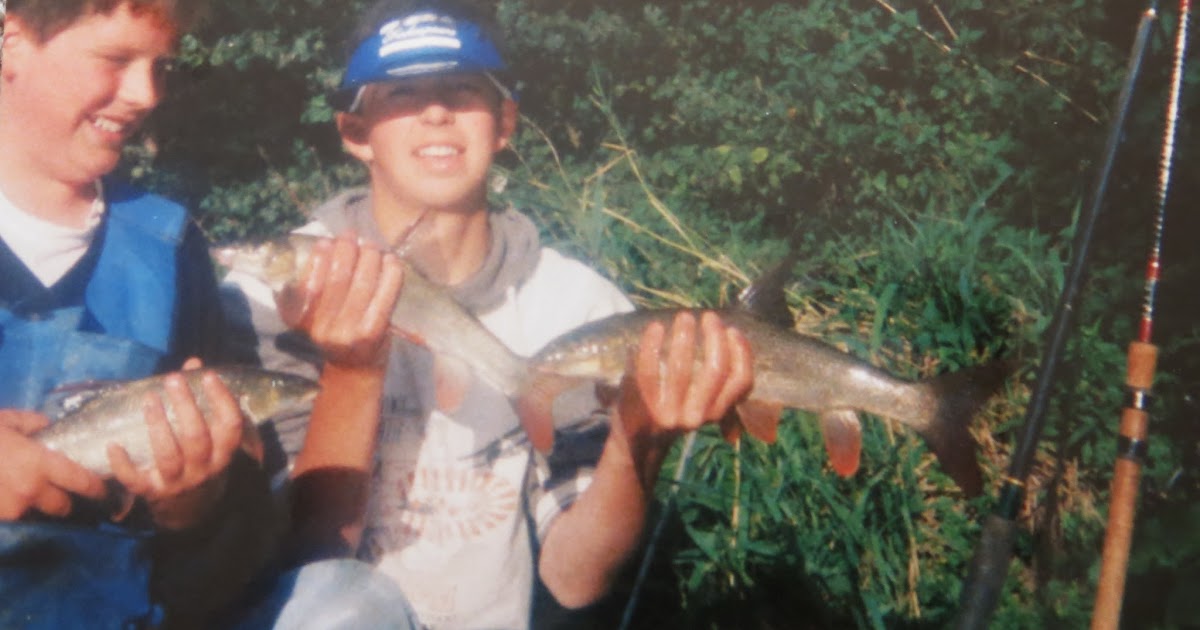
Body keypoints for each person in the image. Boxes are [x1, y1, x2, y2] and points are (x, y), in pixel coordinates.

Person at [220, 1, 756, 628]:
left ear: (505, 122)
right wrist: (354, 370)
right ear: (355, 133)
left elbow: (575, 580)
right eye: (403, 93)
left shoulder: (579, 306)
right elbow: (303, 570)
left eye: (462, 90)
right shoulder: (264, 296)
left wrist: (639, 437)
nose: (436, 112)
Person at [0, 1, 276, 627]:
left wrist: (195, 509)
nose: (145, 94)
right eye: (116, 59)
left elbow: (232, 562)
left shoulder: (170, 248)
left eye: (161, 66)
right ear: (11, 42)